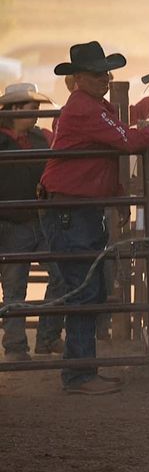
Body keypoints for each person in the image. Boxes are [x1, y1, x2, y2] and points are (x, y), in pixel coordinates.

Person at [40, 42, 149, 395]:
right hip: (72, 209)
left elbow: (119, 141)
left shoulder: (91, 105)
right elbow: (127, 141)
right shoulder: (86, 108)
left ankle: (80, 370)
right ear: (79, 78)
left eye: (105, 72)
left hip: (75, 207)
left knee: (86, 288)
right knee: (84, 290)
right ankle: (79, 375)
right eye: (98, 73)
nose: (105, 78)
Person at [0, 83, 65, 360]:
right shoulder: (25, 139)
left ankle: (46, 337)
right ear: (14, 109)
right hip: (12, 221)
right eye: (32, 108)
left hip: (38, 219)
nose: (37, 113)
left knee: (60, 275)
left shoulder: (40, 137)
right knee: (15, 286)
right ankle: (18, 345)